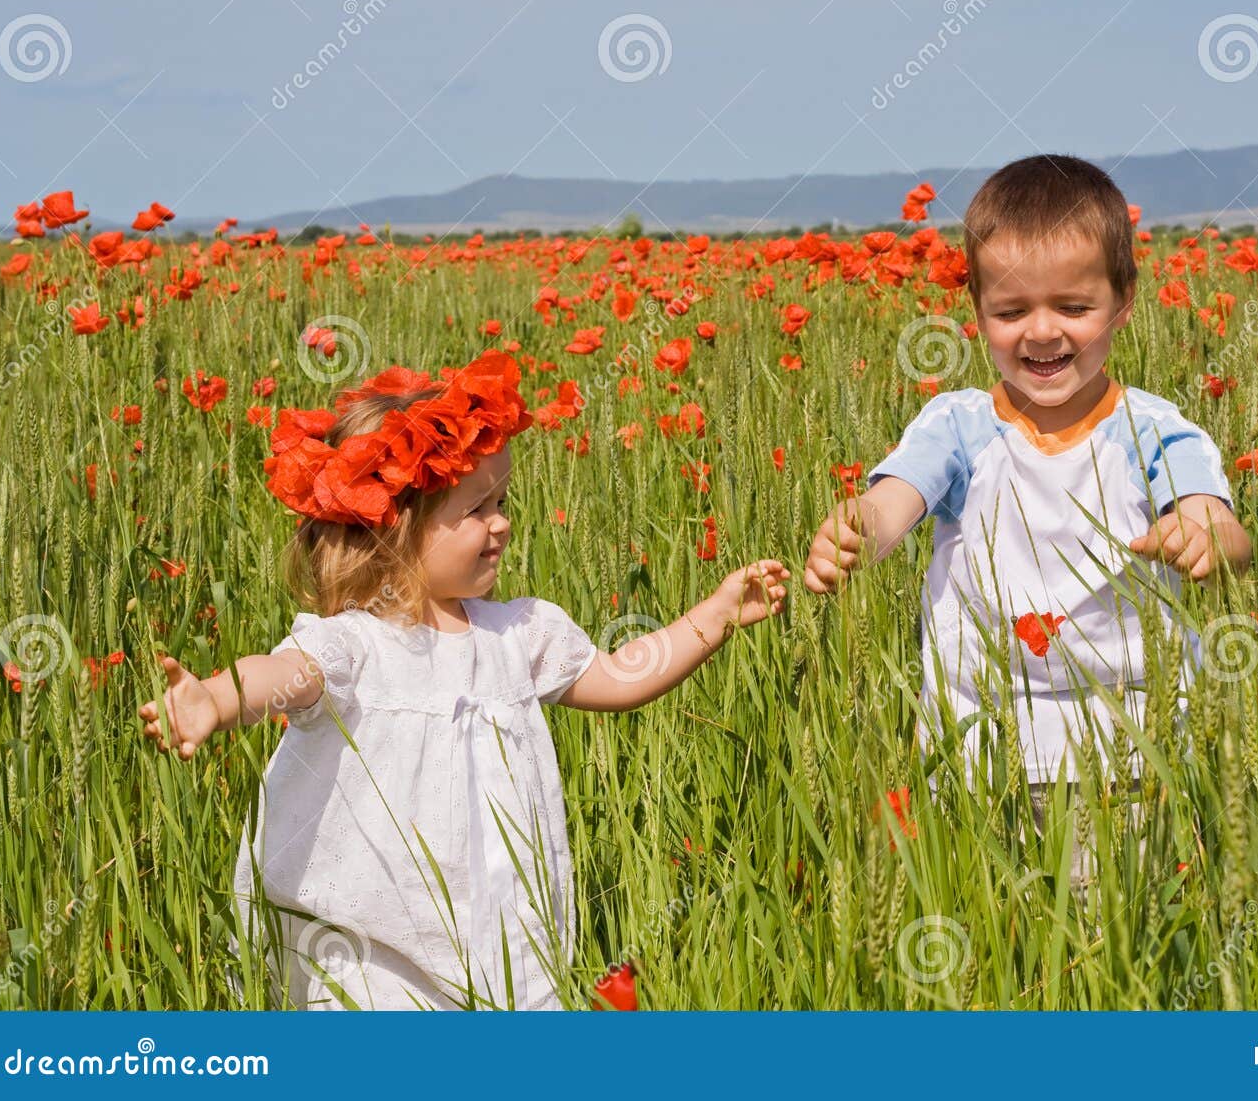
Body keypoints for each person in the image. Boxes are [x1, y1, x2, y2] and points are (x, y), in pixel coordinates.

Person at [137, 349, 790, 1009]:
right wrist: (216, 698)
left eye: (502, 500)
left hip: (497, 929)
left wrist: (717, 615)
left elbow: (620, 677)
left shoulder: (518, 633)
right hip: (369, 948)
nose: (501, 521)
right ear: (395, 525)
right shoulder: (356, 645)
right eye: (477, 508)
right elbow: (283, 674)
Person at [803, 154, 1251, 885]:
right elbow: (897, 499)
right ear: (977, 310)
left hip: (1131, 759)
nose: (1042, 332)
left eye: (1073, 307)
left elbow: (1215, 520)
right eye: (1011, 312)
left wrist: (1206, 538)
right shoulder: (957, 426)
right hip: (976, 757)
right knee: (993, 929)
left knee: (1108, 930)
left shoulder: (1154, 431)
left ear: (1124, 301)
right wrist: (859, 530)